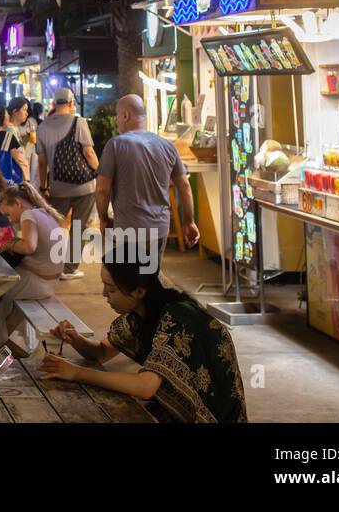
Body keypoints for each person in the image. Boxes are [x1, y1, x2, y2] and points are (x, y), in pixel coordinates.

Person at [40, 253, 247, 422]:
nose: (104, 294)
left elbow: (145, 387)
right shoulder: (141, 313)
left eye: (111, 288)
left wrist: (76, 373)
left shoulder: (177, 317)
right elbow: (101, 353)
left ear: (139, 291)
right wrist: (74, 338)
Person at [97, 95, 199, 254]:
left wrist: (103, 219)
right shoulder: (167, 146)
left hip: (127, 230)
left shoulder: (115, 145)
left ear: (125, 116)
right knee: (150, 276)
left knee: (124, 277)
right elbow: (185, 187)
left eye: (117, 115)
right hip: (159, 230)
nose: (117, 120)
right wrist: (189, 221)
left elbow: (102, 190)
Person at [36, 87, 100, 278]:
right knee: (79, 226)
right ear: (72, 103)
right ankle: (69, 268)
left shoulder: (42, 127)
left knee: (54, 227)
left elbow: (42, 161)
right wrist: (100, 173)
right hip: (84, 186)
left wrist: (43, 186)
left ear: (54, 104)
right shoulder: (79, 122)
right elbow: (88, 153)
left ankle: (50, 266)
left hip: (58, 187)